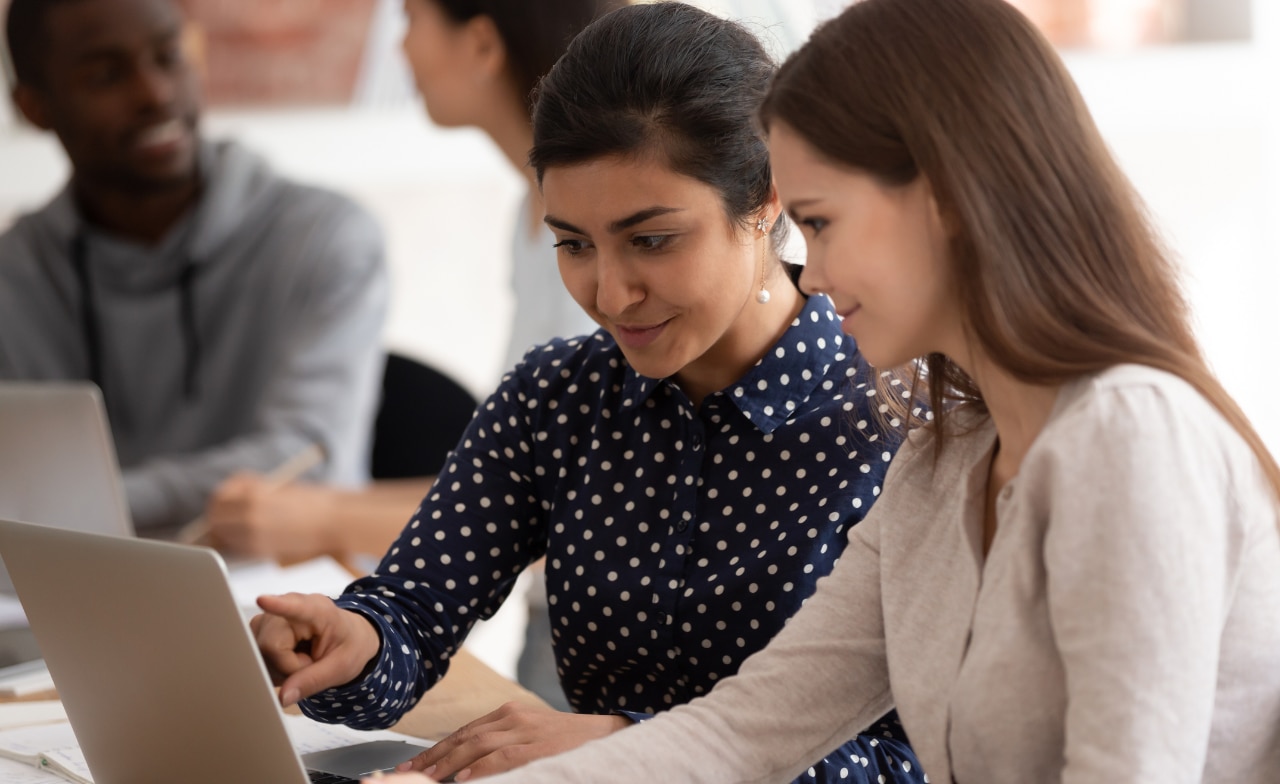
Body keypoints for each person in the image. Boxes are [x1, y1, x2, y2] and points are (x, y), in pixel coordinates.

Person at [370, 0, 1280, 782]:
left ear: (948, 198)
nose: (813, 266)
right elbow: (743, 733)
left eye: (820, 222)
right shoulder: (942, 456)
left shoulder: (1127, 435)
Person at [252, 4, 928, 783]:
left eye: (652, 240)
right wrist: (351, 641)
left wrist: (632, 748)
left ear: (767, 197)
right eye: (573, 244)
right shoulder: (554, 398)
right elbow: (411, 613)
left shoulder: (895, 424)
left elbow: (913, 764)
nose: (609, 294)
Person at [202, 0, 619, 564]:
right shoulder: (532, 211)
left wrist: (325, 518)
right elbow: (513, 478)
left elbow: (569, 508)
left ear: (480, 45)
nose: (400, 48)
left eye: (410, 19)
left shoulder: (599, 234)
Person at [0, 0, 388, 532]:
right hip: (66, 599)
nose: (155, 93)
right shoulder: (13, 277)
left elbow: (305, 462)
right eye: (107, 74)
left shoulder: (324, 237)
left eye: (169, 56)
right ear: (34, 108)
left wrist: (87, 507)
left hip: (278, 595)